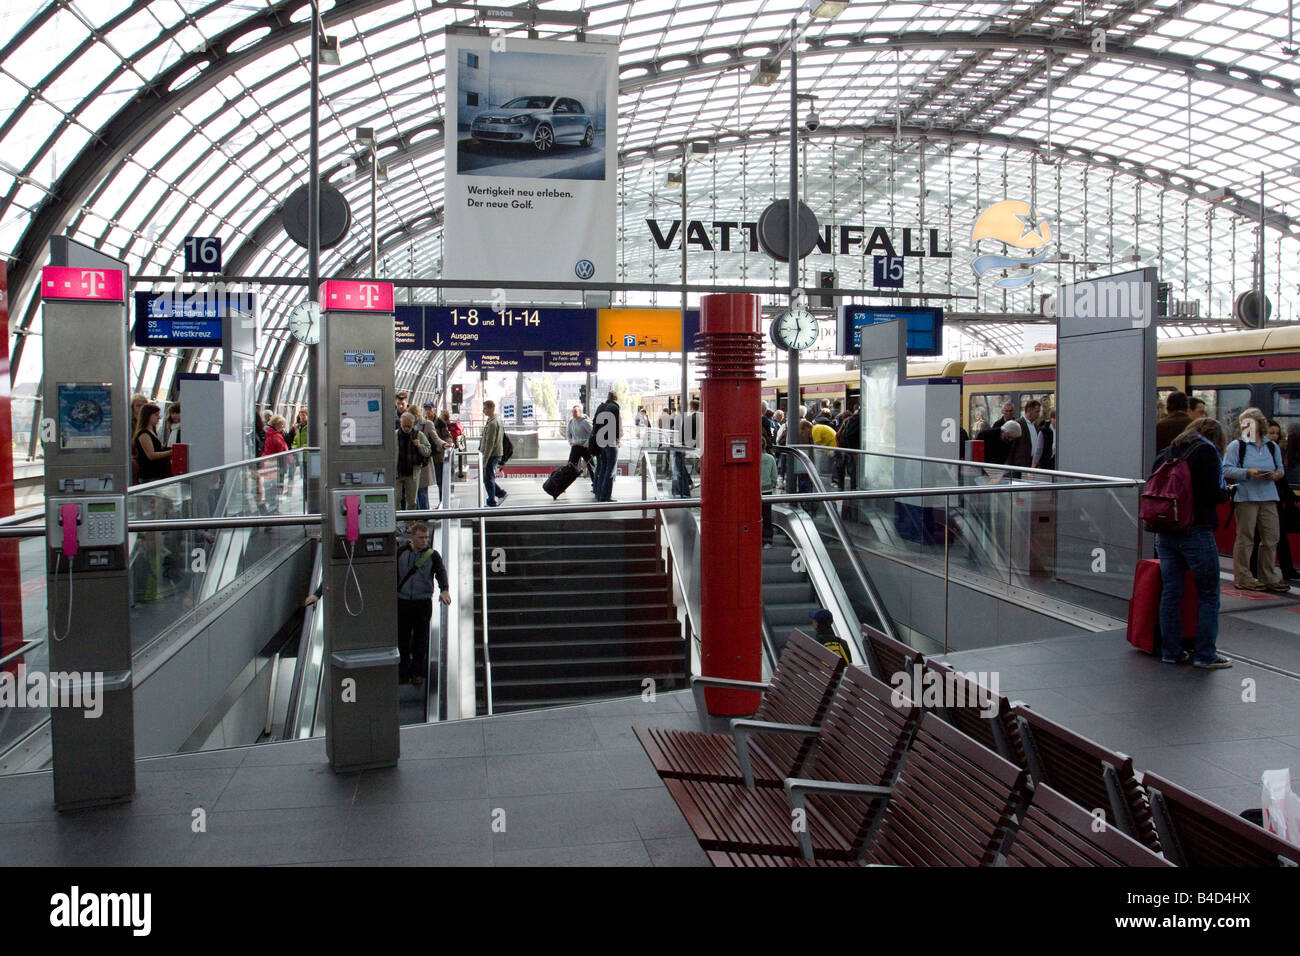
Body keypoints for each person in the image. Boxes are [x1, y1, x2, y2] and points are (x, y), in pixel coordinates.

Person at [1153, 418, 1233, 668]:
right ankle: (1205, 655)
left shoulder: (1169, 450)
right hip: (1196, 530)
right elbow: (1214, 494)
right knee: (1208, 594)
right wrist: (1228, 492)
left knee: (1171, 592)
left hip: (1165, 530)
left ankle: (1171, 652)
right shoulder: (1207, 451)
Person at [1223, 407, 1287, 593]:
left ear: (1259, 424)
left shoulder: (1271, 446)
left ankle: (1268, 576)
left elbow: (1281, 470)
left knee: (1271, 538)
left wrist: (1276, 475)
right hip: (1246, 496)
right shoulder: (1237, 446)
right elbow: (1226, 469)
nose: (1245, 426)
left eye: (1249, 422)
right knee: (1246, 538)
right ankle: (1243, 577)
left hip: (1268, 495)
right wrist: (1247, 472)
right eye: (1243, 423)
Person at [395, 522, 451, 686]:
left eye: (426, 537)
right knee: (402, 638)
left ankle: (417, 672)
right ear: (412, 537)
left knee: (421, 638)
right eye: (421, 538)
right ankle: (403, 671)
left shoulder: (432, 555)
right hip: (403, 600)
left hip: (423, 601)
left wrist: (444, 589)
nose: (425, 541)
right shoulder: (401, 553)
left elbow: (440, 571)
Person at [395, 411, 431, 513]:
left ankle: (410, 521)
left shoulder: (418, 435)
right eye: (404, 426)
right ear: (400, 423)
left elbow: (428, 451)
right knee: (396, 498)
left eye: (409, 426)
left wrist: (419, 445)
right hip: (397, 472)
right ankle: (396, 520)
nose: (406, 428)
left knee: (411, 500)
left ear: (413, 424)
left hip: (412, 472)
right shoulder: (395, 435)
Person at [592, 390, 621, 502]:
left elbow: (594, 423)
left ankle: (598, 493)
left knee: (602, 468)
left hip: (600, 441)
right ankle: (605, 496)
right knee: (610, 470)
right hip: (611, 441)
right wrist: (617, 439)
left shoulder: (601, 407)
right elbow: (616, 426)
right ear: (616, 398)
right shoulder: (615, 408)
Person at [416, 404, 446, 512]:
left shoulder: (436, 423)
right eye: (426, 409)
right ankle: (419, 512)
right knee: (418, 489)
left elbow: (438, 438)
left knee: (437, 482)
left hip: (434, 457)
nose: (428, 411)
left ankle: (437, 506)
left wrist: (444, 445)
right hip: (417, 460)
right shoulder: (411, 424)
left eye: (429, 409)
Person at [133, 403, 172, 483]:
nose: (159, 417)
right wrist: (170, 452)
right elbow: (151, 455)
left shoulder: (152, 431)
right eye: (156, 415)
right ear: (147, 416)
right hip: (149, 475)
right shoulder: (144, 434)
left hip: (157, 473)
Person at [480, 400, 507, 507]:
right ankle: (500, 493)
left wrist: (485, 459)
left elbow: (490, 443)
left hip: (492, 455)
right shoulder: (495, 420)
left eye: (485, 408)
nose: (483, 410)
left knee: (488, 479)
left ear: (491, 409)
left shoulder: (492, 423)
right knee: (487, 478)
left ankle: (492, 501)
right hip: (495, 453)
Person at [262, 414, 289, 513]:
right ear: (276, 424)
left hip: (268, 464)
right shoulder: (276, 436)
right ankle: (273, 509)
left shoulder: (270, 434)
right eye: (282, 424)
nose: (283, 426)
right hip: (274, 464)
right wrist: (289, 460)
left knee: (270, 486)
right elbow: (283, 450)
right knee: (274, 487)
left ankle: (272, 508)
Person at [566, 404, 597, 491]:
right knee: (570, 466)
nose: (573, 414)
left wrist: (586, 443)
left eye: (575, 412)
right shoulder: (571, 421)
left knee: (591, 466)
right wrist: (570, 441)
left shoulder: (585, 422)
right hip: (575, 446)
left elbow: (592, 433)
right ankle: (563, 485)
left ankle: (596, 485)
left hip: (585, 447)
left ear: (580, 412)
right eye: (573, 412)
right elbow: (568, 433)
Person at [760, 435, 777, 548]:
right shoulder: (770, 458)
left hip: (753, 490)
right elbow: (774, 475)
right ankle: (767, 541)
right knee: (767, 516)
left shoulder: (753, 458)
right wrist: (772, 484)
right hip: (767, 490)